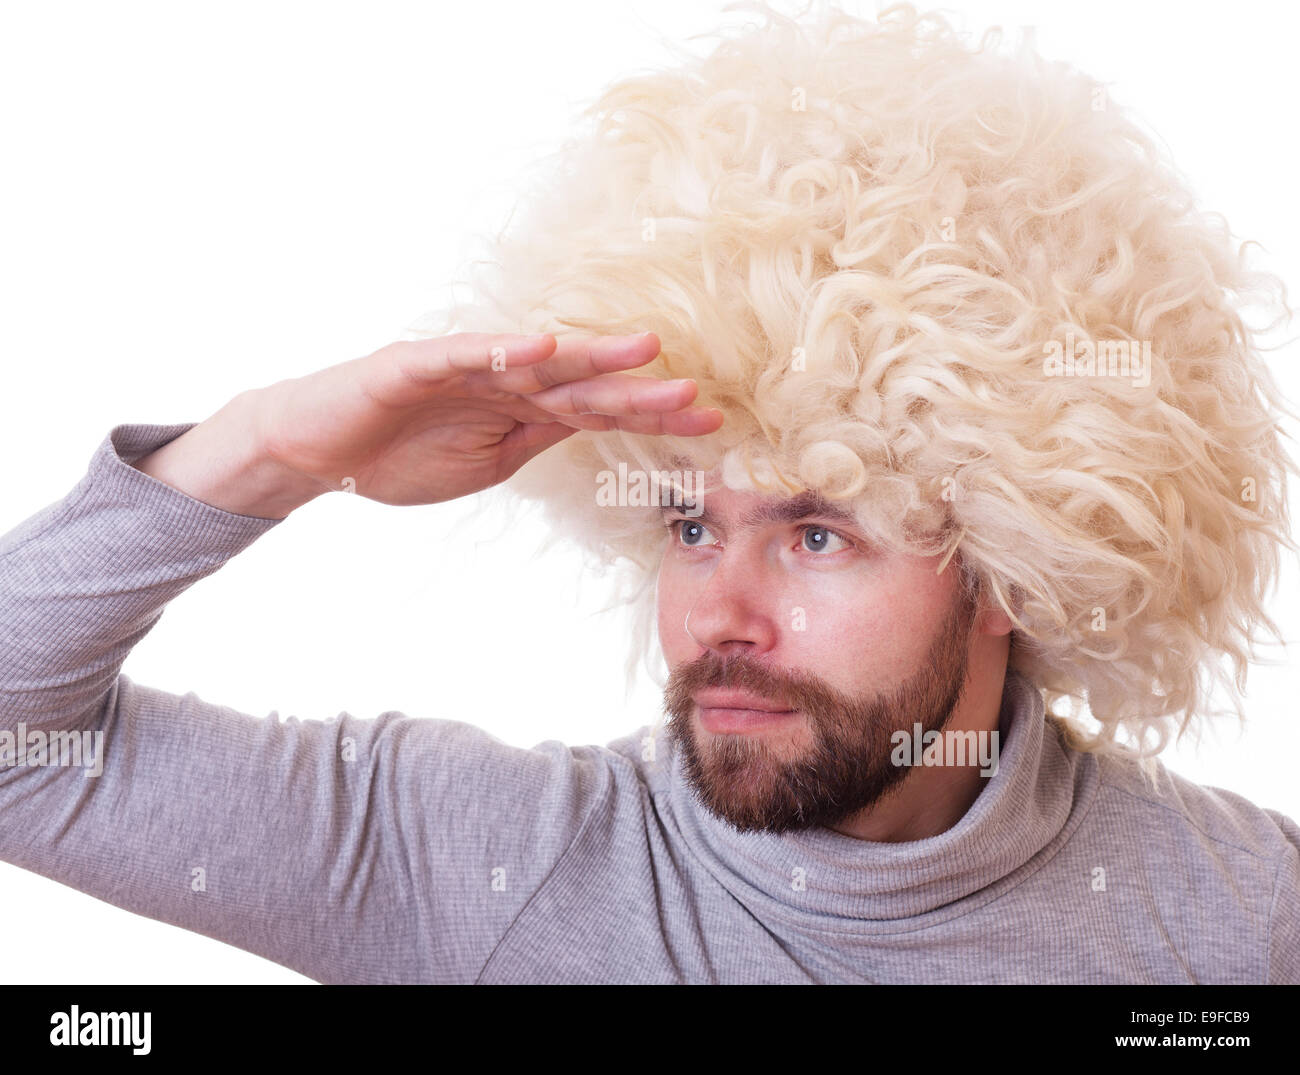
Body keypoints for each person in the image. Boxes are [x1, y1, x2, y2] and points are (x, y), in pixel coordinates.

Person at [1, 2, 1297, 984]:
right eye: (690, 522)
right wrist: (272, 449)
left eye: (814, 533)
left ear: (1015, 568)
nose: (717, 612)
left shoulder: (1233, 918)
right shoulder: (478, 866)